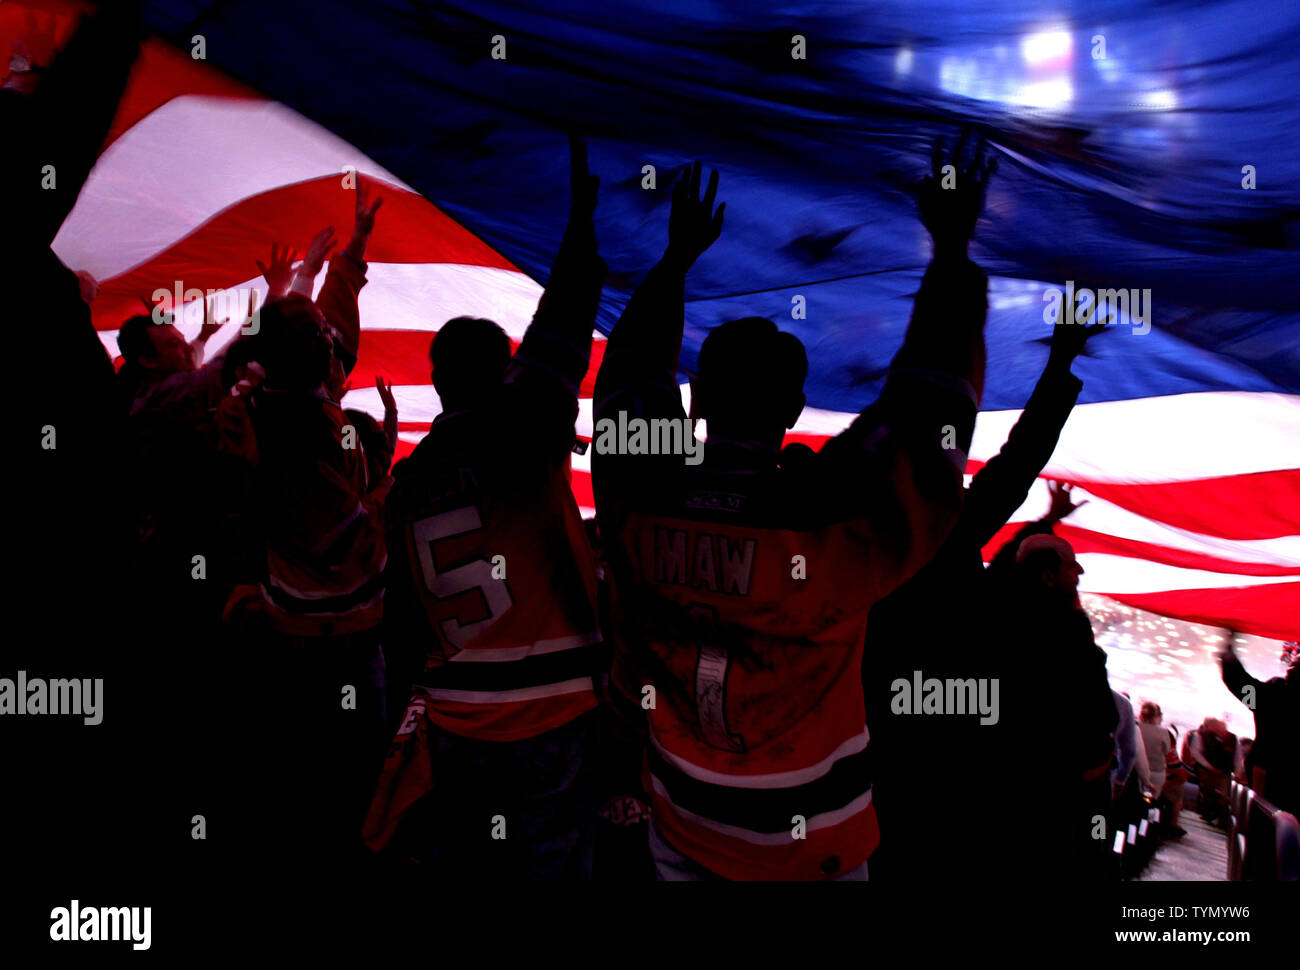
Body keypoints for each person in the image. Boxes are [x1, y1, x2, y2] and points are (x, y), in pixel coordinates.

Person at [591, 135, 993, 881]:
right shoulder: (831, 517)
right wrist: (950, 251)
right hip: (816, 851)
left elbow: (629, 379)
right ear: (796, 409)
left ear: (697, 399)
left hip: (681, 827)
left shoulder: (636, 499)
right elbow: (929, 412)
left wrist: (676, 261)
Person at [367, 137, 607, 880]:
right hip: (552, 719)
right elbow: (566, 320)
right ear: (504, 375)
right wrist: (583, 219)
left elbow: (399, 617)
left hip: (456, 721)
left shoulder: (406, 486)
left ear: (436, 386)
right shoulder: (520, 431)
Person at [863, 284, 1104, 882]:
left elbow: (1014, 477)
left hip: (881, 760)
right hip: (953, 764)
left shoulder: (855, 540)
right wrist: (1060, 362)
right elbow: (1018, 461)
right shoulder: (950, 530)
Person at [1004, 532, 1117, 879]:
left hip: (1031, 792)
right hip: (1076, 790)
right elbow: (1103, 712)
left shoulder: (1002, 624)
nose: (1079, 572)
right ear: (1048, 577)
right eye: (1072, 567)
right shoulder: (1068, 633)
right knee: (1088, 852)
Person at [1221, 634, 1298, 815]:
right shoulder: (1273, 693)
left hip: (1267, 776)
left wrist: (1229, 656)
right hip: (1286, 783)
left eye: (1294, 666)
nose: (1288, 668)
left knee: (1265, 825)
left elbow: (1242, 687)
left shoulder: (1274, 695)